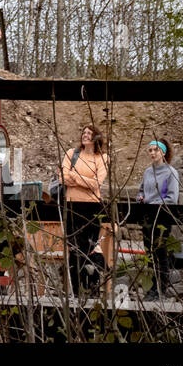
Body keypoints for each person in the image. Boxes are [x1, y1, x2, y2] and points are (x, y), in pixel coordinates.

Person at [61, 124, 110, 296]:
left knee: (90, 248)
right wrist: (85, 180)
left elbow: (97, 183)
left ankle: (92, 288)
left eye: (89, 133)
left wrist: (74, 176)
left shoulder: (102, 158)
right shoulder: (71, 154)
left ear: (96, 137)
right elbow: (63, 177)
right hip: (72, 206)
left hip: (92, 208)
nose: (85, 135)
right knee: (74, 250)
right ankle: (75, 291)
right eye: (84, 132)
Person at [137, 138, 180, 299]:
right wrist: (140, 198)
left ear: (163, 152)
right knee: (149, 253)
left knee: (160, 253)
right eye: (150, 150)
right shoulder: (148, 172)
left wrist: (153, 203)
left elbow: (172, 198)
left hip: (162, 218)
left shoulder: (171, 172)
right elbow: (141, 191)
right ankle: (151, 288)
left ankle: (160, 288)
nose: (153, 153)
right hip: (147, 217)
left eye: (156, 150)